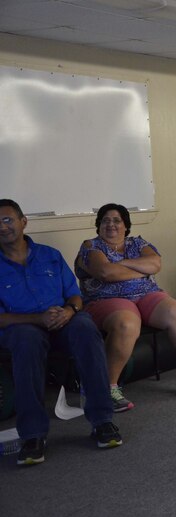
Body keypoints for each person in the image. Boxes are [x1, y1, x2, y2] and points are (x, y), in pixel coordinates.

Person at [0, 199, 122, 466]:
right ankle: (32, 435)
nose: (3, 227)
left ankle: (102, 421)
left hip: (62, 320)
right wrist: (37, 319)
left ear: (23, 222)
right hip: (21, 328)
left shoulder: (50, 255)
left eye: (8, 220)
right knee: (27, 339)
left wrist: (69, 311)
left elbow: (75, 296)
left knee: (86, 327)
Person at [74, 203, 176, 412]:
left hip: (146, 294)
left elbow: (156, 264)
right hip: (105, 299)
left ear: (126, 225)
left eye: (117, 220)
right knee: (127, 322)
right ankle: (107, 387)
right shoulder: (91, 247)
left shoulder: (138, 243)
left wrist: (122, 264)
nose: (111, 225)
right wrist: (139, 269)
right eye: (105, 220)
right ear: (98, 225)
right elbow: (106, 274)